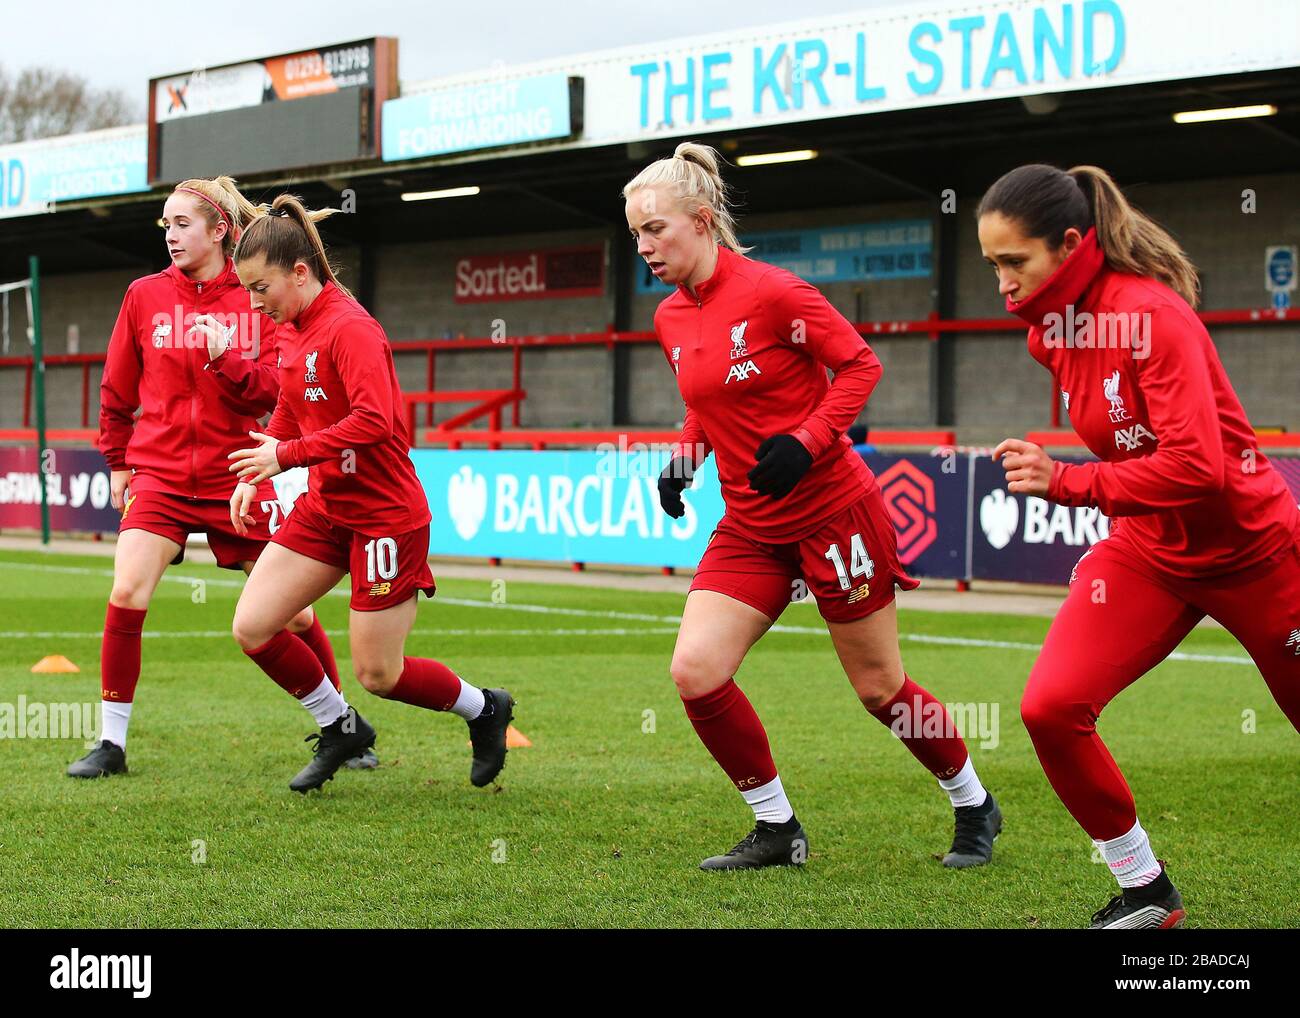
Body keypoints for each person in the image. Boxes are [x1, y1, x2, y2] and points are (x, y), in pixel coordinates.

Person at [624, 142, 1001, 871]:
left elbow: (861, 363)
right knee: (696, 671)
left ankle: (972, 800)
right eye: (637, 234)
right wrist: (684, 458)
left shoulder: (773, 294)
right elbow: (706, 405)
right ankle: (777, 830)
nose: (645, 248)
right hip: (750, 524)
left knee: (880, 688)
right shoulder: (672, 317)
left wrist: (807, 438)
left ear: (702, 221)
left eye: (656, 230)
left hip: (834, 512)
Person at [981, 163, 1300, 928]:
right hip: (1151, 552)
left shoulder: (1154, 317)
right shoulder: (1049, 339)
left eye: (1013, 262)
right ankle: (1146, 893)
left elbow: (1198, 468)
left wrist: (1067, 482)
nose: (1001, 283)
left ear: (1069, 244)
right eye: (991, 265)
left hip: (1256, 553)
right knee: (1052, 708)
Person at [226, 193, 514, 794]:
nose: (255, 303)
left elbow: (375, 421)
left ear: (300, 273)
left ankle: (484, 708)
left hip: (384, 517)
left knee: (380, 673)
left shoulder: (351, 329)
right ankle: (340, 727)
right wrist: (262, 465)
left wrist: (288, 455)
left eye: (261, 288)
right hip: (327, 509)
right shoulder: (292, 327)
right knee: (253, 626)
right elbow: (289, 402)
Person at [71, 176, 357, 778]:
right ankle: (111, 745)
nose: (171, 236)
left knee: (295, 616)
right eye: (166, 226)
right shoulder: (143, 296)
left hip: (242, 474)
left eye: (183, 224)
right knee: (127, 593)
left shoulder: (255, 296)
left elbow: (278, 394)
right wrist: (119, 461)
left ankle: (344, 727)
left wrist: (224, 357)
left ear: (220, 230)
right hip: (162, 474)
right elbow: (117, 388)